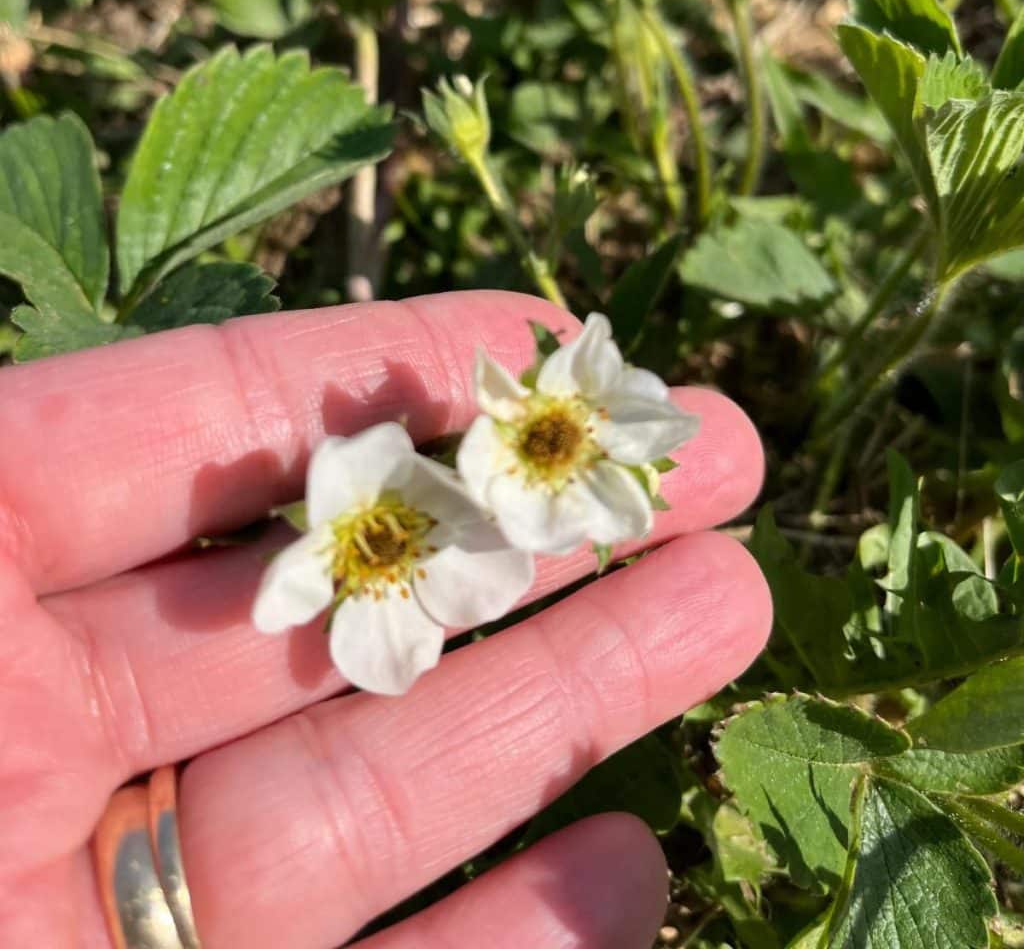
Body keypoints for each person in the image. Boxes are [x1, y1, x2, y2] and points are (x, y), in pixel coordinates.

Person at [0, 290, 771, 949]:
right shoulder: (408, 485)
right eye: (380, 539)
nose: (382, 540)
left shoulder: (508, 480)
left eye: (387, 539)